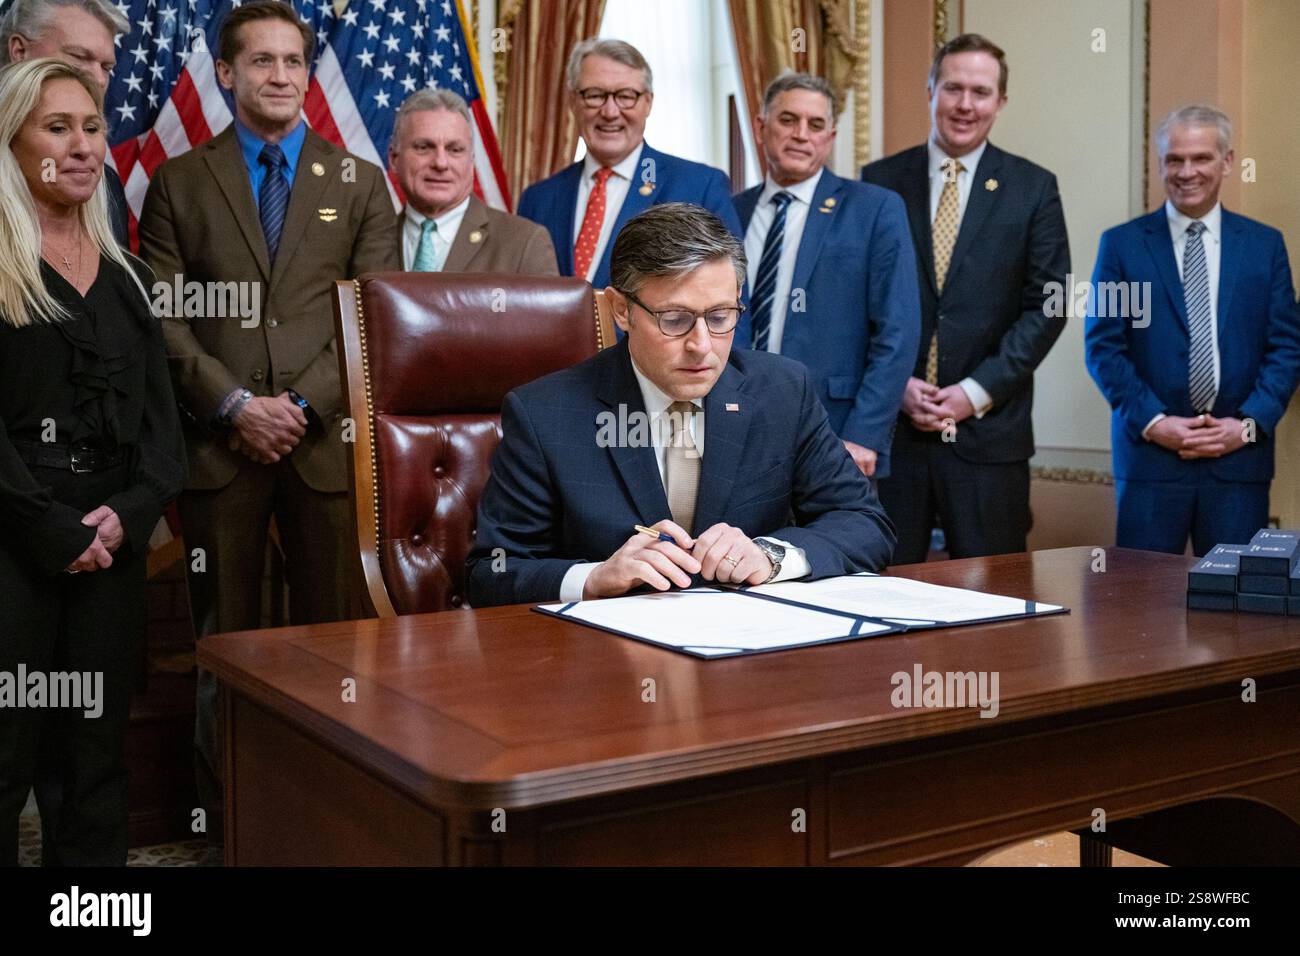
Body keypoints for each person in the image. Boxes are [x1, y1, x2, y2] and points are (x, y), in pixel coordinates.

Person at [136, 0, 398, 854]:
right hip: (219, 451)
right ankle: (234, 831)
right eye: (261, 61)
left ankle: (333, 826)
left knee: (339, 653)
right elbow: (164, 316)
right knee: (228, 652)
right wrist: (235, 405)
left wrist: (302, 406)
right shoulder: (178, 182)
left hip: (327, 452)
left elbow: (370, 313)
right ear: (226, 72)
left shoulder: (359, 182)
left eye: (294, 61)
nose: (279, 76)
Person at [466, 203, 895, 608]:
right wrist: (594, 578)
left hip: (752, 656)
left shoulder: (783, 390)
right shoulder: (545, 413)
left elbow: (863, 522)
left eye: (721, 316)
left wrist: (772, 556)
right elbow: (491, 571)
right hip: (610, 662)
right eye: (674, 320)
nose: (701, 346)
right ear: (621, 310)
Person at [0, 58, 185, 865]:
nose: (81, 147)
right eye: (56, 128)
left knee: (94, 766)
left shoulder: (128, 278)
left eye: (92, 127)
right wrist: (51, 527)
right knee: (4, 765)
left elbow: (161, 428)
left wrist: (132, 511)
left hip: (110, 549)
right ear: (11, 143)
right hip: (14, 548)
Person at [861, 33, 1069, 563]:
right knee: (885, 589)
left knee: (996, 600)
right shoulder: (878, 184)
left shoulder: (1033, 188)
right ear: (930, 89)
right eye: (953, 88)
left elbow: (1047, 306)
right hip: (894, 435)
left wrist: (974, 392)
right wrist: (897, 385)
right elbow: (858, 302)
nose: (965, 104)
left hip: (988, 438)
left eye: (980, 92)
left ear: (1000, 101)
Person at [1085, 105, 1300, 554]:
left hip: (1239, 464)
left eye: (1201, 158)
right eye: (1175, 160)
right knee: (1140, 605)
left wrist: (1244, 427)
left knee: (1235, 612)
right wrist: (1155, 423)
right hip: (1151, 461)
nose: (1187, 172)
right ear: (1160, 163)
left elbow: (1286, 347)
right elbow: (1105, 348)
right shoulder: (1123, 246)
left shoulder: (1264, 245)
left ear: (1226, 161)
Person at [734, 72, 919, 479]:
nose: (802, 134)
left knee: (826, 544)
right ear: (761, 127)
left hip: (835, 431)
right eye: (788, 120)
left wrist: (865, 435)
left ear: (830, 137)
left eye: (815, 125)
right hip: (737, 429)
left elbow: (898, 331)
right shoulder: (731, 211)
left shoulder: (874, 209)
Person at [517, 39, 745, 301]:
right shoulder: (537, 199)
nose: (610, 112)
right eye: (595, 95)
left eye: (626, 96)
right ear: (572, 101)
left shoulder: (699, 188)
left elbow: (729, 301)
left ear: (647, 102)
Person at [0, 0, 131, 245]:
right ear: (19, 52)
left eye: (107, 67)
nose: (99, 80)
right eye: (79, 57)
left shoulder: (105, 185)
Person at [390, 88, 557, 275]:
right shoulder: (369, 240)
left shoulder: (525, 244)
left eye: (455, 150)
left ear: (471, 161)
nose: (440, 163)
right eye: (423, 147)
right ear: (394, 158)